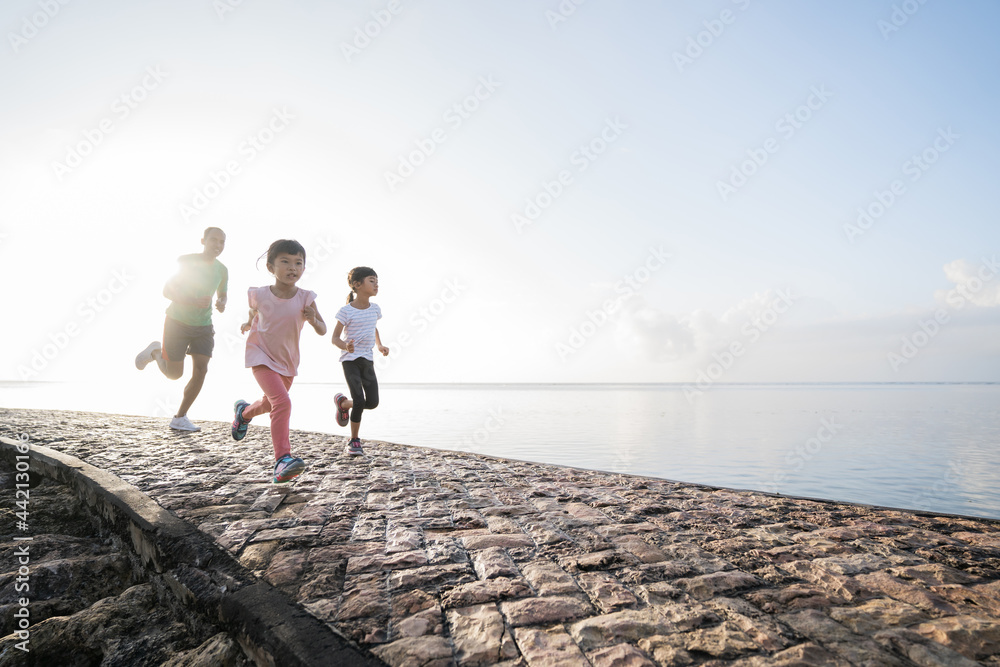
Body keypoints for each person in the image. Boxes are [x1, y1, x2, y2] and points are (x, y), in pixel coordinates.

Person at [230, 239, 326, 483]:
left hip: (287, 362)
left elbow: (323, 329)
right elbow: (254, 313)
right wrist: (246, 322)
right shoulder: (260, 295)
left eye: (298, 263)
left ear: (303, 268)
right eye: (285, 262)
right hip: (260, 354)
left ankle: (244, 413)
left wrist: (313, 319)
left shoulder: (306, 298)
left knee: (271, 403)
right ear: (271, 267)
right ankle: (282, 460)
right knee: (282, 402)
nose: (292, 267)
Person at [135, 227, 228, 432]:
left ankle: (180, 417)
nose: (218, 245)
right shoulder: (185, 261)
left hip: (204, 326)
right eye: (214, 240)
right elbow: (167, 290)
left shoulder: (222, 270)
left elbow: (222, 294)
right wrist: (193, 301)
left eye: (222, 242)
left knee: (201, 370)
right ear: (203, 240)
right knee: (174, 375)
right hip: (177, 322)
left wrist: (222, 302)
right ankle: (155, 351)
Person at [331, 266, 389, 456]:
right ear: (357, 284)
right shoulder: (346, 311)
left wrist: (379, 346)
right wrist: (345, 346)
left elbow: (373, 328)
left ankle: (343, 404)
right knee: (359, 398)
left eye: (376, 281)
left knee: (372, 402)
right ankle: (354, 440)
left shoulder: (375, 309)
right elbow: (335, 338)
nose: (376, 284)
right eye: (371, 280)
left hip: (367, 359)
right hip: (350, 360)